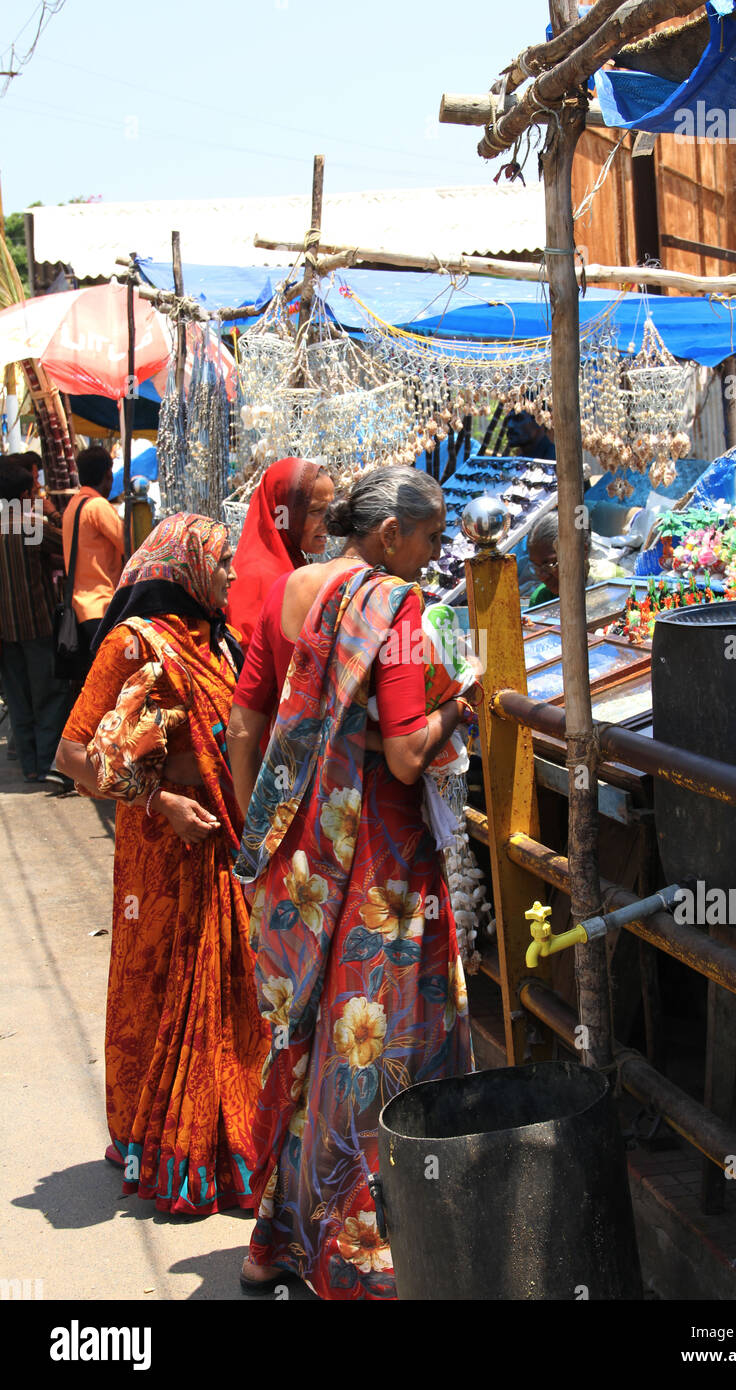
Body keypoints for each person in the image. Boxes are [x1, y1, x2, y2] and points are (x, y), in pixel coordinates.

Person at [232, 466, 474, 1299]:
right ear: (388, 536)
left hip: (309, 859)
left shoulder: (291, 589)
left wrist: (266, 836)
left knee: (312, 1040)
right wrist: (462, 702)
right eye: (430, 537)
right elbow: (408, 752)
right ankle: (354, 1248)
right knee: (372, 1041)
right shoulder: (393, 608)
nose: (434, 554)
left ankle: (274, 1241)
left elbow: (246, 719)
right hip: (380, 864)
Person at [54, 514, 270, 1215]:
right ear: (189, 571)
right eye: (222, 564)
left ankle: (227, 1139)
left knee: (232, 992)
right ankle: (168, 1144)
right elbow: (74, 755)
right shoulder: (132, 642)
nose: (234, 576)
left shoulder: (220, 641)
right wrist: (162, 803)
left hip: (224, 842)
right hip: (163, 850)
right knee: (163, 985)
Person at [0, 457, 69, 783]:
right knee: (49, 696)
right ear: (27, 493)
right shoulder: (29, 526)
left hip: (5, 631)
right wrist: (52, 511)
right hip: (38, 627)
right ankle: (46, 764)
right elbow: (68, 542)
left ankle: (29, 764)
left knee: (18, 698)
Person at [226, 456, 333, 649]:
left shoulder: (291, 561)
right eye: (316, 511)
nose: (328, 522)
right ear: (281, 512)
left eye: (330, 509)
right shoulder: (258, 577)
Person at [61, 445, 125, 671]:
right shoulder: (98, 506)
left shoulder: (74, 505)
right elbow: (130, 544)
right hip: (101, 605)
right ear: (108, 474)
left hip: (81, 607)